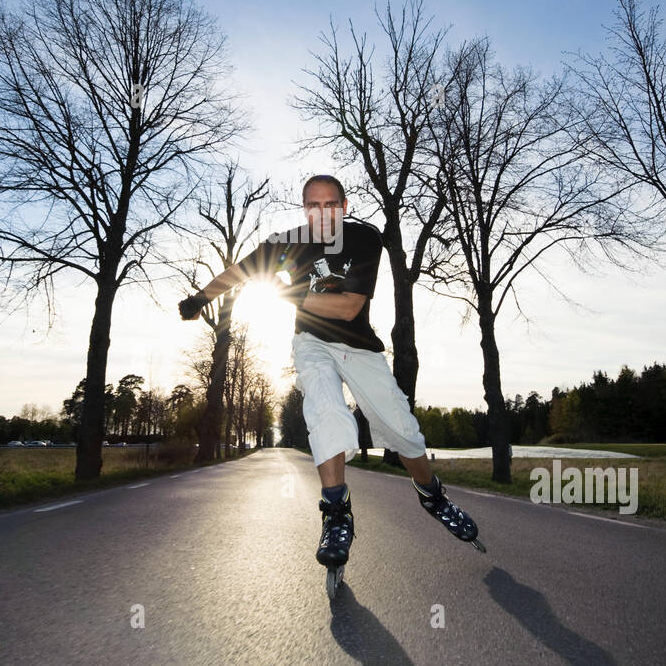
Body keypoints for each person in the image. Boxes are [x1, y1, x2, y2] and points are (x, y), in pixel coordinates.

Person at [178, 174, 478, 566]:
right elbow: (243, 270)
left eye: (330, 205)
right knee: (326, 411)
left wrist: (287, 291)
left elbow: (347, 307)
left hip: (357, 345)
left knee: (401, 428)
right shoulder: (290, 242)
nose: (322, 214)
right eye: (313, 206)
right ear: (306, 210)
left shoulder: (364, 239)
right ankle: (336, 512)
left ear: (344, 207)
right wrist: (202, 296)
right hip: (312, 342)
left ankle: (432, 495)